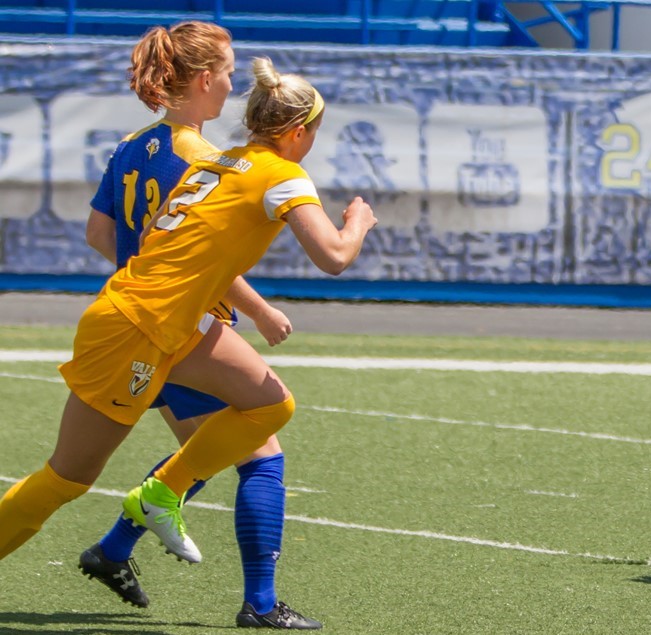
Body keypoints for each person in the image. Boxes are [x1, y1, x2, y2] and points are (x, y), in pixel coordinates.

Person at [0, 54, 377, 629]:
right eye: (314, 134)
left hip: (168, 319)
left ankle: (160, 498)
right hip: (139, 327)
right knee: (67, 479)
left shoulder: (221, 160)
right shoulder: (279, 173)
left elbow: (134, 237)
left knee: (272, 404)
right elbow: (333, 257)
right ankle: (187, 537)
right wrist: (358, 222)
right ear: (297, 132)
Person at [75, 23, 320, 629]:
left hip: (134, 320)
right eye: (230, 72)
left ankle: (113, 550)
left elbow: (100, 234)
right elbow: (199, 252)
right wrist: (260, 309)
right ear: (205, 79)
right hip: (184, 326)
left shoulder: (133, 143)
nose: (235, 85)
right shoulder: (205, 158)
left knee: (205, 453)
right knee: (260, 451)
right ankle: (260, 605)